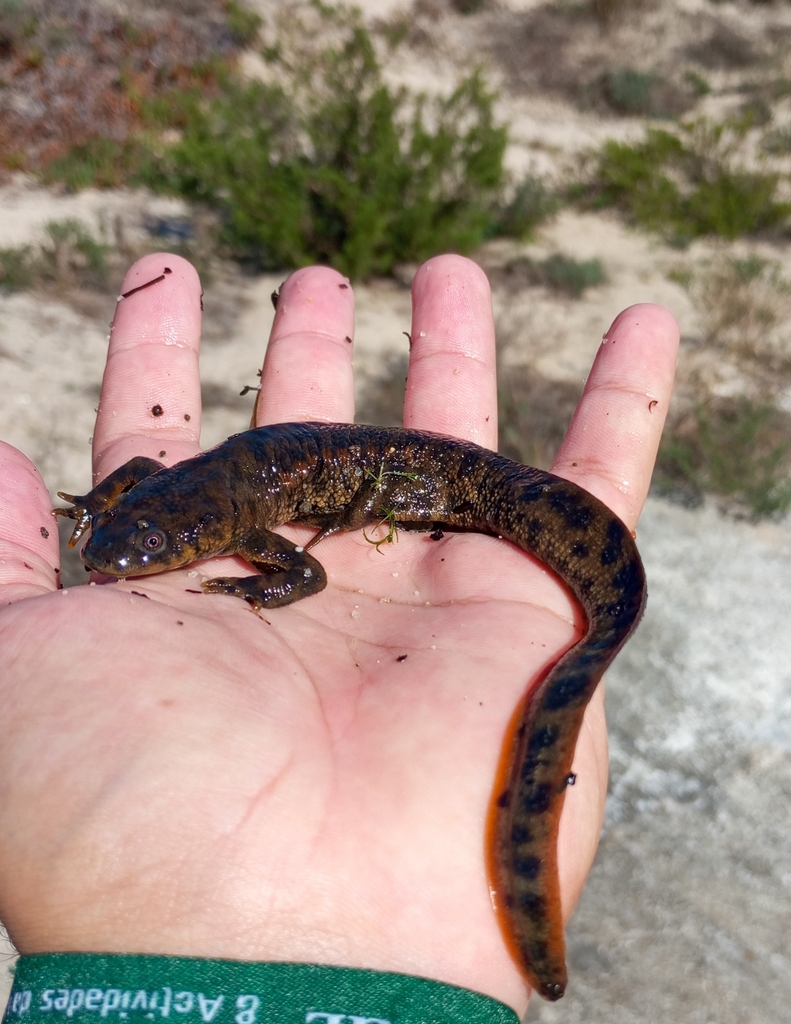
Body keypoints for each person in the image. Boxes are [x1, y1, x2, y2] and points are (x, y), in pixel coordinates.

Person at [0, 253, 678, 1019]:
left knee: (458, 501)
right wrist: (102, 508)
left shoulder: (243, 527)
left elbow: (305, 575)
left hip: (446, 480)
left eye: (155, 549)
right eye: (135, 538)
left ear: (210, 534)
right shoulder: (187, 501)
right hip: (357, 470)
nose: (126, 560)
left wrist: (259, 587)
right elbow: (136, 467)